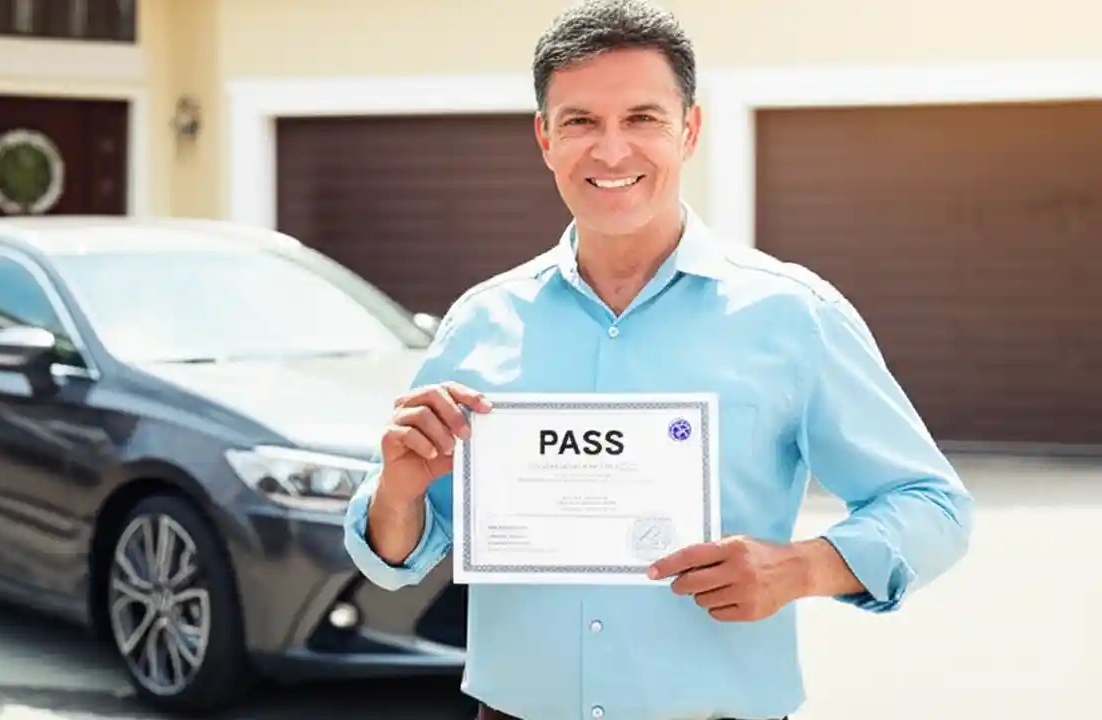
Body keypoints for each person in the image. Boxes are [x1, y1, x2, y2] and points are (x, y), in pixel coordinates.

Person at [343, 1, 975, 718]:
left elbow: (933, 508)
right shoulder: (481, 323)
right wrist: (399, 494)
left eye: (642, 118)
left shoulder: (792, 316)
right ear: (545, 138)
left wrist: (802, 568)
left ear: (690, 130)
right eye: (581, 121)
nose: (611, 151)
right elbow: (396, 558)